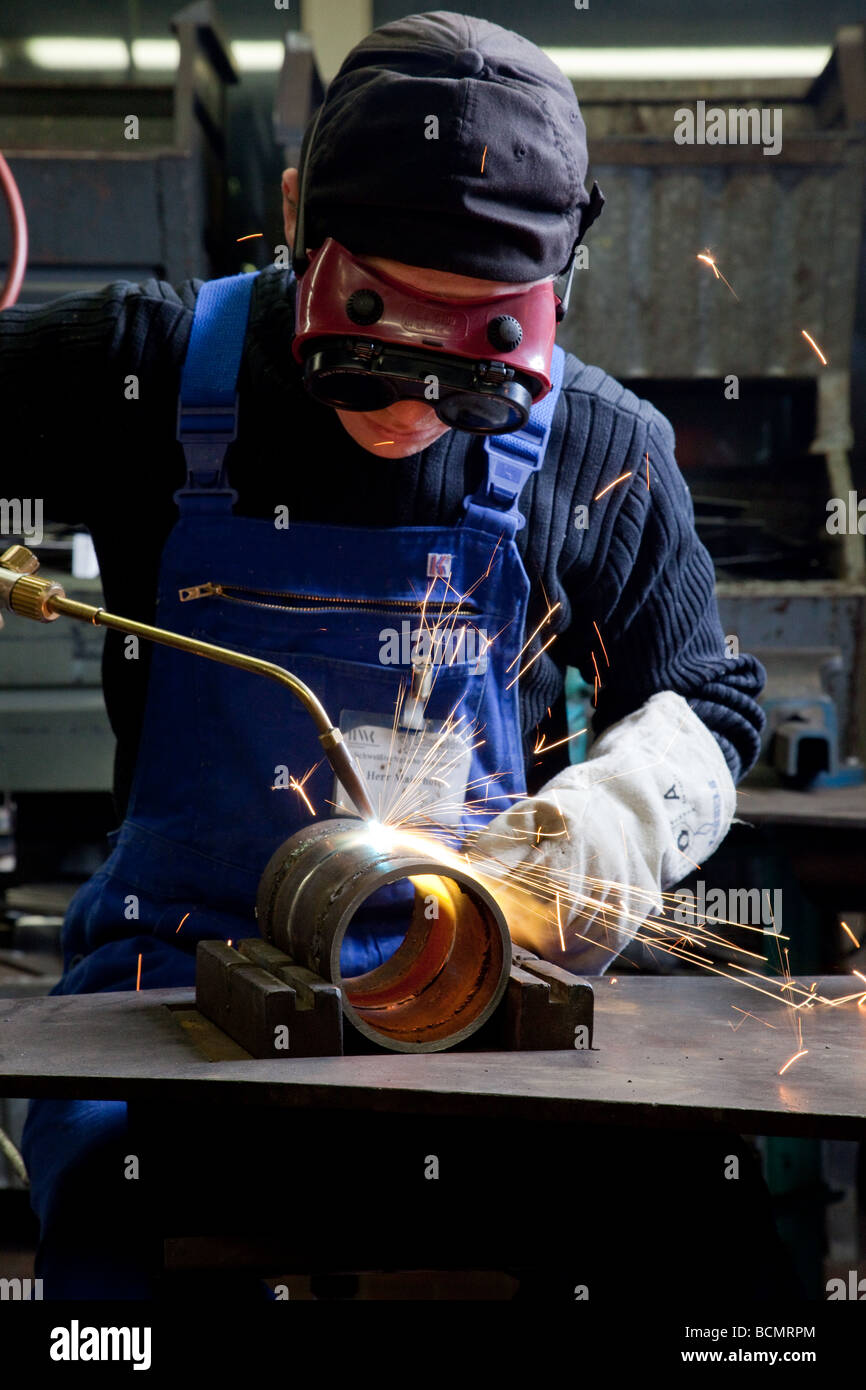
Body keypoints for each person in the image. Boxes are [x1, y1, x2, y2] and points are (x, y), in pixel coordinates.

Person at [1, 11, 782, 1300]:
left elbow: (710, 698)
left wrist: (607, 828)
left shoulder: (596, 451)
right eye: (371, 351)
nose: (416, 407)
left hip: (479, 976)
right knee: (118, 1235)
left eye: (470, 363)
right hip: (175, 984)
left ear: (553, 294)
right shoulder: (147, 369)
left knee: (705, 1228)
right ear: (301, 214)